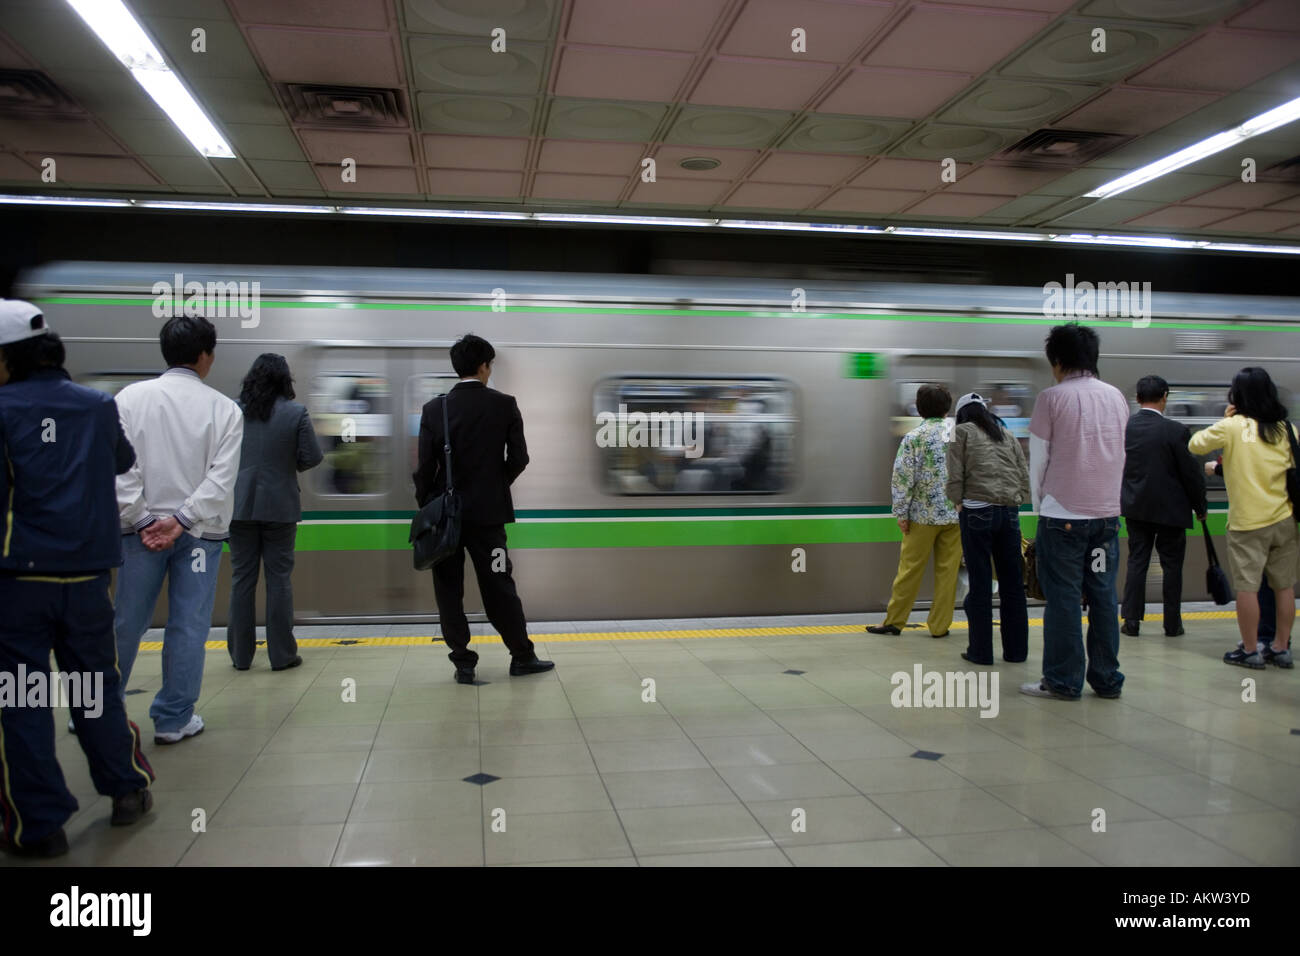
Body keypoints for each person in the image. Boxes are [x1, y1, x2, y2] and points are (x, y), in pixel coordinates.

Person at [0, 304, 154, 858]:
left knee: (22, 700)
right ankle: (126, 789)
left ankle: (39, 825)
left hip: (19, 581)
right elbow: (121, 460)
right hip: (90, 576)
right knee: (95, 689)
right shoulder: (96, 405)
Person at [114, 316, 243, 743]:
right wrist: (182, 520)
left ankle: (98, 711)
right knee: (188, 625)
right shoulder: (224, 409)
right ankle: (172, 719)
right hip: (199, 537)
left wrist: (145, 519)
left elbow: (120, 469)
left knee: (127, 621)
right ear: (205, 356)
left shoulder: (129, 399)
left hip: (139, 535)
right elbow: (220, 480)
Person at [413, 334, 552, 684]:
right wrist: (493, 486)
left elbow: (423, 470)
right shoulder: (504, 405)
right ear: (483, 366)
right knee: (499, 585)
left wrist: (432, 506)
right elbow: (519, 459)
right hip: (488, 521)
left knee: (448, 589)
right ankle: (522, 655)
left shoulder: (434, 410)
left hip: (447, 522)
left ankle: (463, 662)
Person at [1023, 323, 1130, 700]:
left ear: (1058, 362)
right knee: (1102, 593)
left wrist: (1041, 508)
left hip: (1063, 517)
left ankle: (1064, 680)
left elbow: (1038, 462)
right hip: (1105, 520)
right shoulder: (1117, 397)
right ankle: (1106, 679)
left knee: (1065, 596)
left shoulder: (1051, 399)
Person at [1189, 369, 1296, 669]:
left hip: (1248, 523)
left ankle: (1251, 650)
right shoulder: (1286, 429)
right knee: (1284, 586)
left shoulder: (1233, 426)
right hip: (1284, 519)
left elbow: (1195, 444)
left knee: (1248, 587)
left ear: (1237, 396)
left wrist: (1226, 419)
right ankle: (1280, 647)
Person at [227, 354, 323, 672]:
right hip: (280, 506)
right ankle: (281, 655)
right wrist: (286, 466)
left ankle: (241, 656)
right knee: (278, 580)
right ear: (285, 380)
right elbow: (312, 456)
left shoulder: (233, 410)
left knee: (242, 579)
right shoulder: (295, 412)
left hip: (238, 507)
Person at [867, 384, 960, 638]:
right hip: (955, 515)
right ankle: (940, 627)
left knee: (909, 570)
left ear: (920, 409)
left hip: (922, 516)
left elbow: (903, 478)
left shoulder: (914, 437)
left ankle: (895, 621)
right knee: (948, 573)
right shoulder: (957, 434)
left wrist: (901, 513)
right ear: (947, 408)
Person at [945, 392, 1030, 665]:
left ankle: (980, 652)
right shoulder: (1006, 433)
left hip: (977, 511)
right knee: (1013, 584)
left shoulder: (961, 432)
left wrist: (957, 501)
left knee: (980, 583)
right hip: (1009, 512)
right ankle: (1016, 652)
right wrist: (1017, 500)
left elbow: (954, 473)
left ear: (962, 414)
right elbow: (1023, 472)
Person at [1120, 375, 1207, 637]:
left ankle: (1131, 622)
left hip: (1136, 508)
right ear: (1165, 397)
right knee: (1172, 568)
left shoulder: (1126, 428)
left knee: (1137, 563)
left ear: (1137, 399)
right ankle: (1172, 624)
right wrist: (1199, 506)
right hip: (1171, 511)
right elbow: (1191, 474)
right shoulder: (1176, 431)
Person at [1206, 458, 1289, 658]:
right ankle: (1280, 643)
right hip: (1283, 519)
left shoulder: (1255, 434)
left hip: (1255, 520)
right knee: (1280, 585)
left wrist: (1217, 468)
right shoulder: (1286, 434)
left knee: (1254, 584)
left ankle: (1259, 642)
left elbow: (1253, 472)